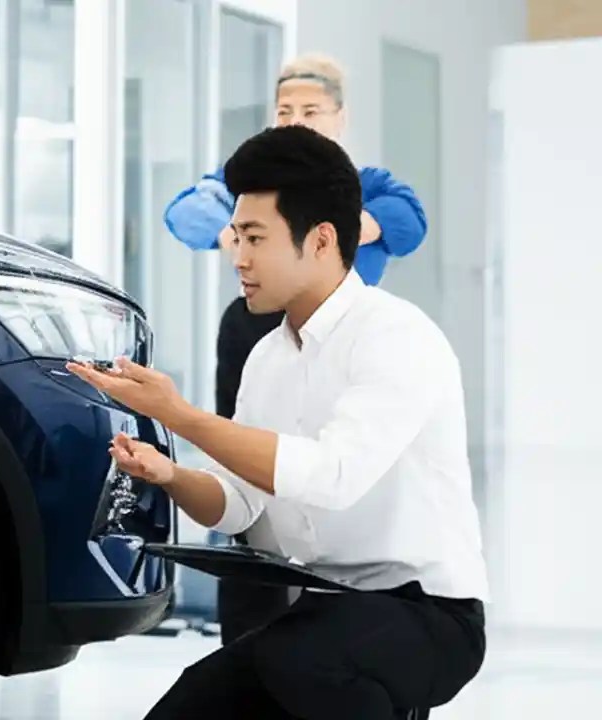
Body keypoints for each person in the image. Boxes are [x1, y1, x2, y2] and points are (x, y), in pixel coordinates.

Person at [68, 125, 487, 720]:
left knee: (307, 663)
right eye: (236, 236)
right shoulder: (267, 356)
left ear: (319, 241)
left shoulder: (395, 336)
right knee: (190, 704)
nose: (238, 257)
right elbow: (239, 506)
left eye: (255, 238)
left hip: (430, 614)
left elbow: (333, 476)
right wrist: (168, 475)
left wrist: (181, 415)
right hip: (326, 609)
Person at [164, 52, 430, 644]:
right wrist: (236, 228)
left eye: (311, 111)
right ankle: (247, 632)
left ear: (340, 116)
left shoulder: (368, 187)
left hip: (339, 345)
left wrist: (343, 215)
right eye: (285, 111)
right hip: (259, 333)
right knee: (243, 470)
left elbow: (409, 221)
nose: (297, 121)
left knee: (334, 483)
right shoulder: (249, 183)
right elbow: (185, 210)